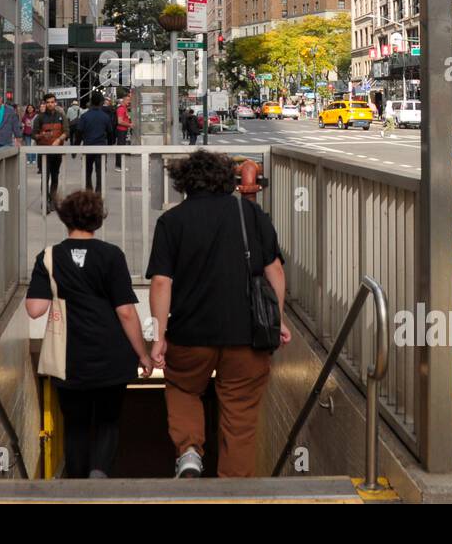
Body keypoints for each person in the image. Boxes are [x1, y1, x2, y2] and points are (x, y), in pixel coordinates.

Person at [147, 150, 290, 478]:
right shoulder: (251, 215)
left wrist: (158, 337)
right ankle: (233, 491)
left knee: (183, 388)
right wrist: (277, 319)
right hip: (248, 337)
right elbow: (275, 272)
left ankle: (189, 452)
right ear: (229, 179)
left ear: (184, 183)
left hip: (189, 334)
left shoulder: (172, 222)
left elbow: (160, 282)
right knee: (240, 418)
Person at [25, 190, 152, 478]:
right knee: (108, 421)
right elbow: (126, 312)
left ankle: (77, 483)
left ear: (65, 219)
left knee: (76, 426)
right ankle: (100, 472)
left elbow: (35, 309)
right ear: (98, 220)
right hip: (112, 357)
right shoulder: (111, 255)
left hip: (69, 360)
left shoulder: (48, 257)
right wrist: (142, 354)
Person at [32, 93, 69, 212]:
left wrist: (59, 139)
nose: (50, 104)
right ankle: (45, 202)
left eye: (52, 102)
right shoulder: (39, 118)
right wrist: (41, 135)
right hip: (44, 153)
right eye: (48, 102)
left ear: (55, 103)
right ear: (45, 103)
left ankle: (52, 200)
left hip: (57, 152)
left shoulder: (61, 116)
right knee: (45, 177)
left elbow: (67, 131)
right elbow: (33, 134)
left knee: (55, 176)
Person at [75, 91, 115, 192]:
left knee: (87, 172)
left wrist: (75, 149)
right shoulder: (105, 117)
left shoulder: (84, 116)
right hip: (101, 148)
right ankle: (99, 193)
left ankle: (89, 191)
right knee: (100, 172)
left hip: (87, 148)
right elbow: (110, 133)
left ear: (91, 102)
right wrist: (110, 146)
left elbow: (79, 133)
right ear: (102, 102)